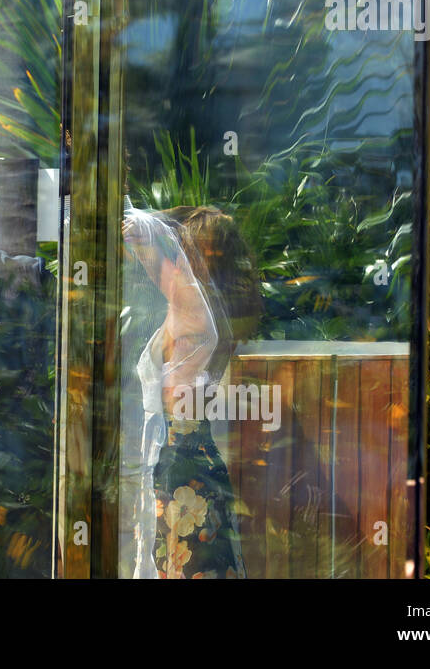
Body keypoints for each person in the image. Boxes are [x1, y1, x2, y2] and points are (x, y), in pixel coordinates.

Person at [122, 203, 260, 579]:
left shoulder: (196, 313)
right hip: (173, 464)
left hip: (183, 470)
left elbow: (153, 253)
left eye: (184, 249)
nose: (174, 260)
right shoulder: (190, 308)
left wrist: (141, 232)